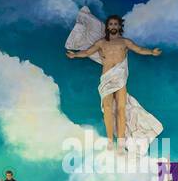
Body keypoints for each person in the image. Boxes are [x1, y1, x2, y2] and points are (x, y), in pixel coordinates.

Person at [66, 12, 162, 147]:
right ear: (107, 26)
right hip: (106, 78)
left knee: (121, 109)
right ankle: (111, 141)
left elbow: (139, 49)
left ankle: (121, 142)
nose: (113, 26)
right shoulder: (101, 43)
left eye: (115, 24)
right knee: (107, 108)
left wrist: (152, 52)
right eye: (111, 24)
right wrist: (75, 55)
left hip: (120, 78)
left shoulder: (125, 42)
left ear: (119, 26)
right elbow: (87, 52)